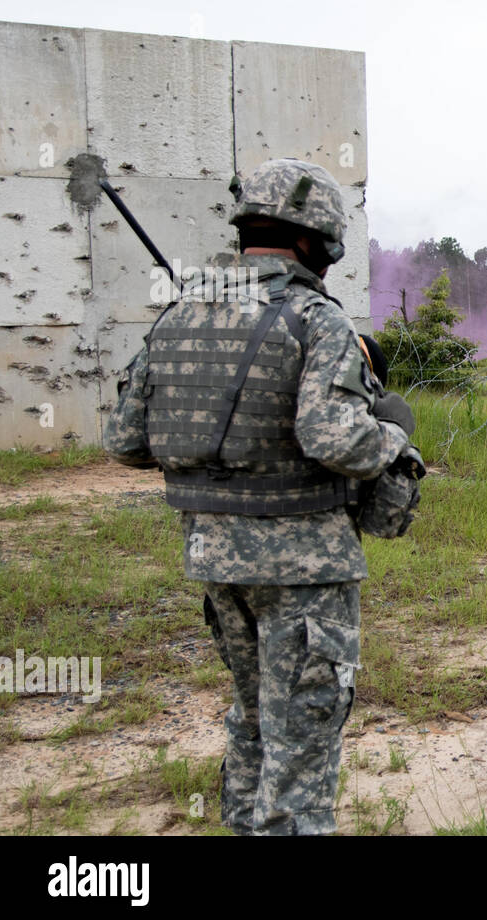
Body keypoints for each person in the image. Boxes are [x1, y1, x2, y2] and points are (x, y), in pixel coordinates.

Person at [103, 158, 422, 836]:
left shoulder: (178, 315)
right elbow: (333, 438)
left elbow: (127, 441)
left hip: (216, 563)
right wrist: (392, 435)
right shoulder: (315, 319)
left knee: (252, 718)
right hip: (304, 567)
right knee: (303, 738)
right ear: (312, 240)